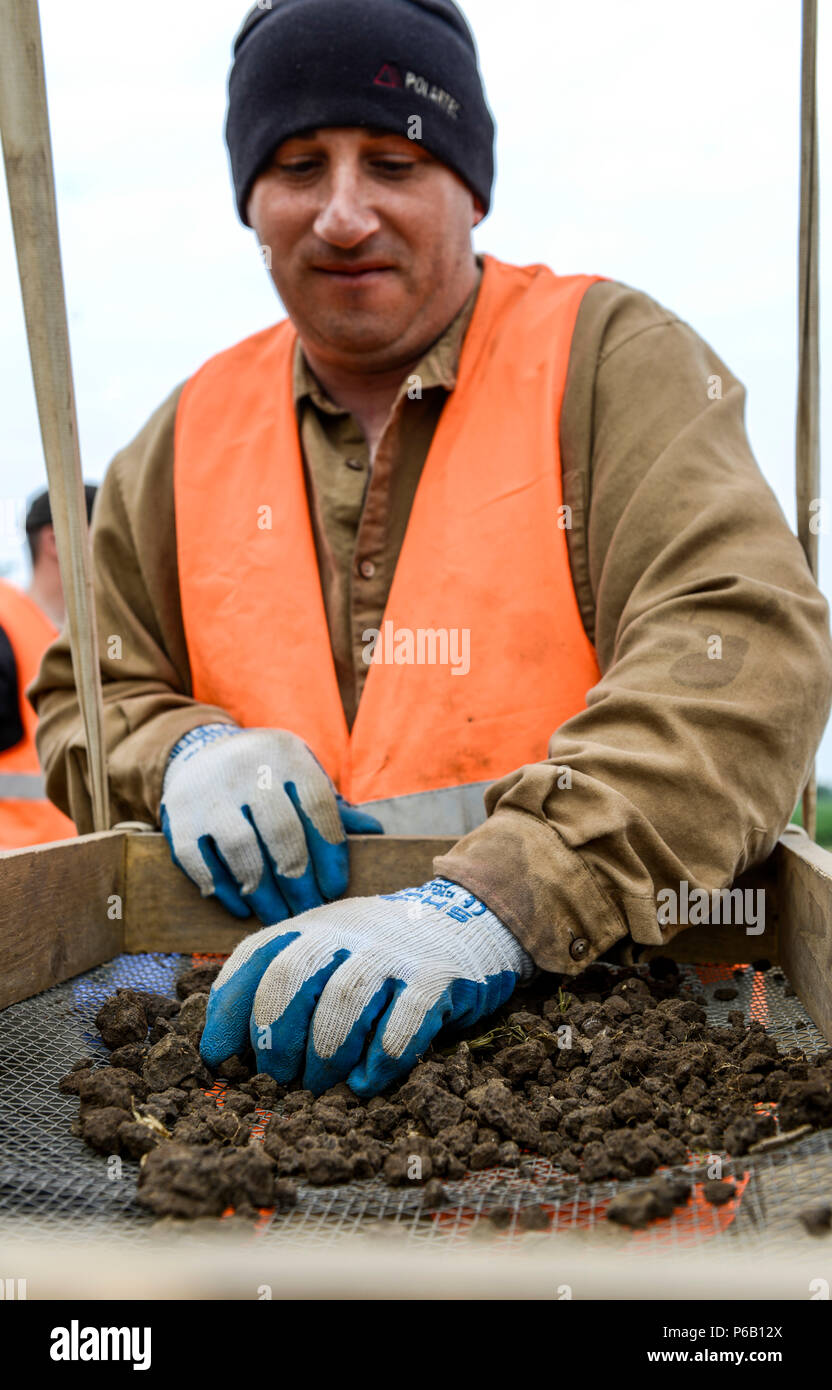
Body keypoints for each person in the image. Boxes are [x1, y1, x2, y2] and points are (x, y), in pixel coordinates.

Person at [30, 0, 832, 1095]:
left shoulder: (608, 363)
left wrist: (494, 902)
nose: (344, 214)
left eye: (395, 161)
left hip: (595, 1062)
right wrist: (176, 752)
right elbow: (90, 692)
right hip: (245, 1072)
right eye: (300, 164)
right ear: (249, 200)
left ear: (470, 186)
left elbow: (739, 644)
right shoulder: (180, 438)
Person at [0, 484, 97, 848]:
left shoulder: (89, 643)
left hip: (67, 878)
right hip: (13, 882)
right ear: (56, 541)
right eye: (105, 532)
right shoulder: (5, 628)